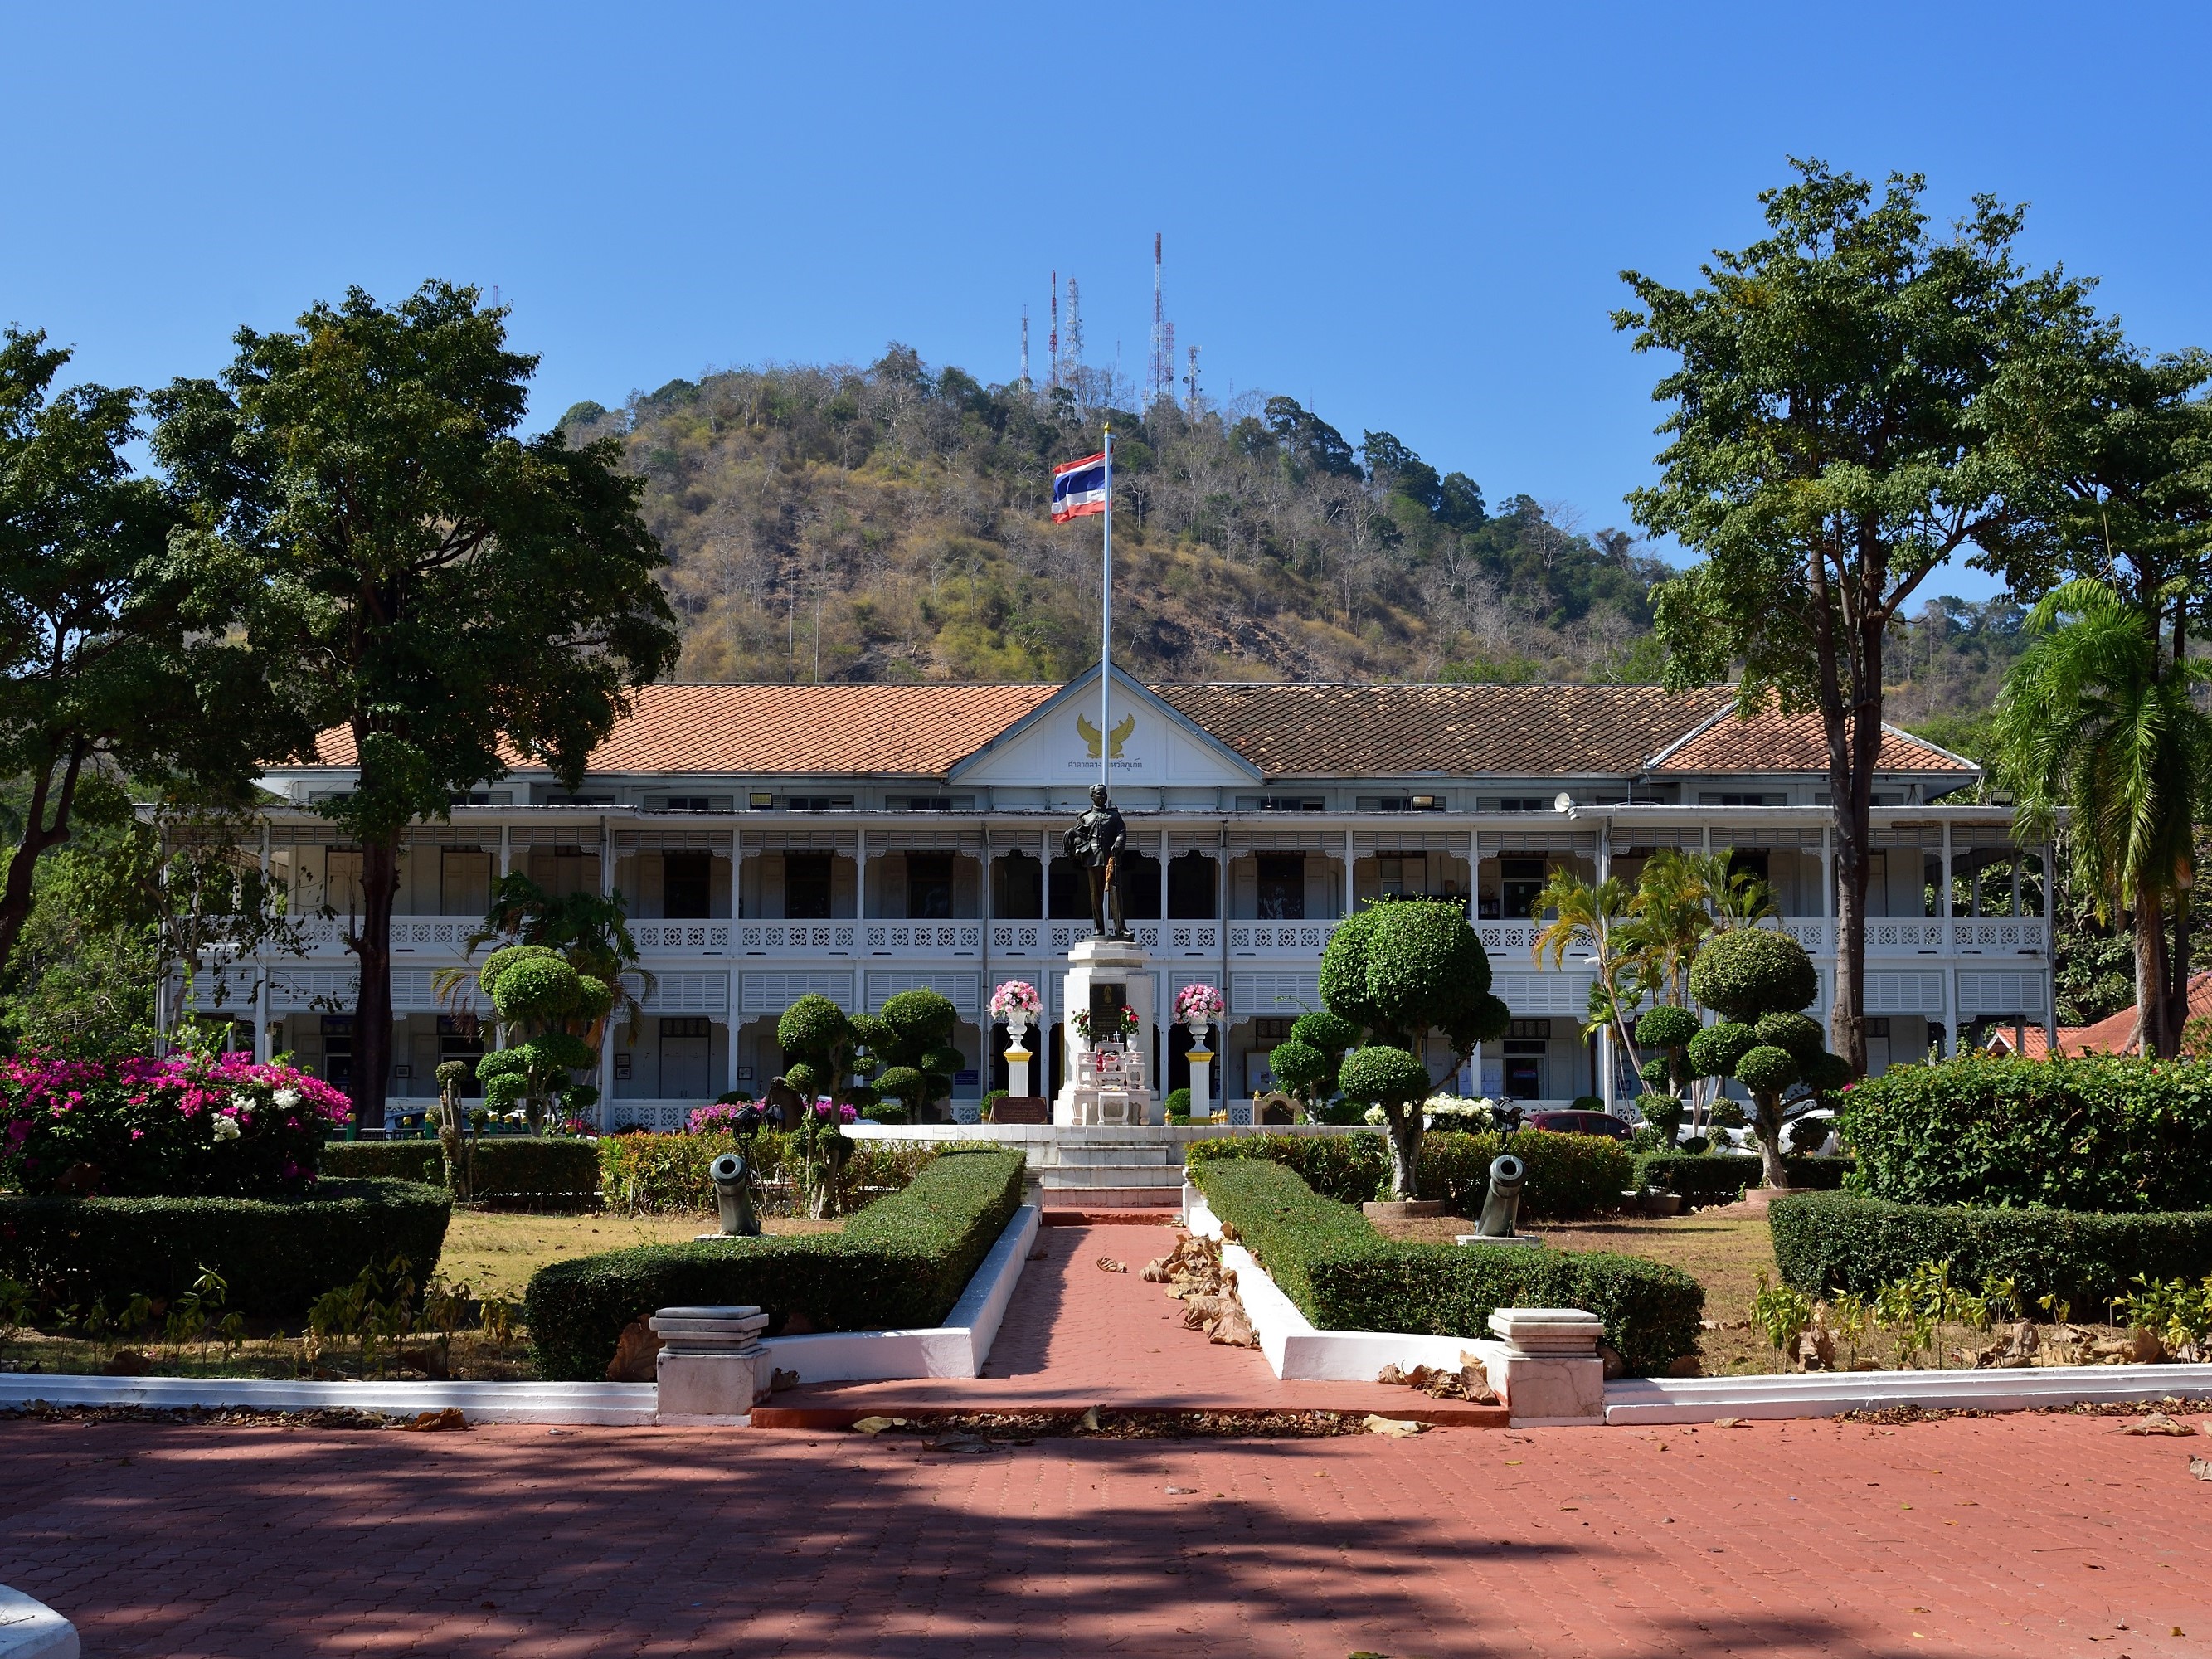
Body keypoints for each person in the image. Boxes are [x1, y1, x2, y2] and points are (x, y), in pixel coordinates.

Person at [1062, 783, 1130, 939]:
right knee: (1096, 896)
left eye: (1104, 794)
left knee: (1115, 894)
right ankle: (1099, 929)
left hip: (1111, 858)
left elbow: (1121, 832)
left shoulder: (1114, 816)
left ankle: (1120, 929)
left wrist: (1118, 843)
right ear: (1092, 796)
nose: (1103, 796)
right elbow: (1076, 835)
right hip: (1093, 858)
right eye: (1099, 794)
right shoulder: (1085, 817)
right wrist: (1079, 844)